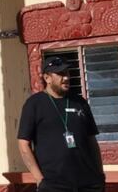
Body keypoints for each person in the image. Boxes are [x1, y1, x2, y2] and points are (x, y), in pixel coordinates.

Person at [17, 56, 105, 192]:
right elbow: (23, 144)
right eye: (61, 74)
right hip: (54, 184)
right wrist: (40, 179)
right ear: (47, 78)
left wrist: (100, 174)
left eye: (67, 73)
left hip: (89, 182)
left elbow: (91, 141)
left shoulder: (80, 102)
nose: (66, 77)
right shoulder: (34, 104)